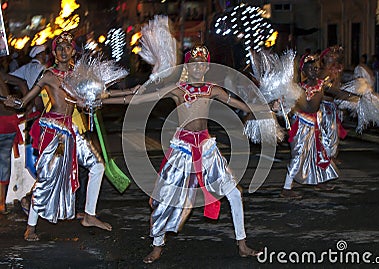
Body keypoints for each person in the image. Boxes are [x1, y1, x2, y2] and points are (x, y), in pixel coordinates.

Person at [104, 45, 263, 263]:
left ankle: (242, 243)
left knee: (234, 193)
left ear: (207, 66)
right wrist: (103, 99)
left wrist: (265, 107)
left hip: (207, 147)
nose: (198, 66)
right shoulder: (178, 90)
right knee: (165, 199)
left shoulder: (212, 89)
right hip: (182, 149)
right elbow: (139, 100)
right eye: (194, 62)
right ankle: (157, 245)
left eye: (202, 62)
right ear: (187, 66)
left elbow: (241, 106)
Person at [3, 32, 111, 241]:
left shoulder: (77, 75)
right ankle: (31, 226)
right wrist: (13, 102)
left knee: (97, 166)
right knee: (46, 179)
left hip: (72, 129)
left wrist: (111, 96)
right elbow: (24, 101)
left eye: (67, 47)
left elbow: (87, 99)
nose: (63, 51)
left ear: (73, 51)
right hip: (54, 132)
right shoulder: (48, 75)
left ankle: (89, 215)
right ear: (53, 53)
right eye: (59, 48)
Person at [280, 54, 340, 199]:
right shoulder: (299, 88)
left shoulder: (321, 85)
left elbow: (336, 93)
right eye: (310, 68)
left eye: (315, 67)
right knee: (299, 154)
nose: (314, 70)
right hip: (302, 125)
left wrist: (356, 98)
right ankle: (286, 188)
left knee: (319, 152)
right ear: (304, 71)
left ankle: (320, 180)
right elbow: (302, 107)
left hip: (316, 124)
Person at [0, 71, 29, 214]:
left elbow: (22, 83)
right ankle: (1, 204)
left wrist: (24, 105)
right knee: (4, 161)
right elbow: (22, 83)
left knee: (4, 161)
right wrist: (25, 107)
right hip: (9, 121)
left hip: (5, 122)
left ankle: (2, 203)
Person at [318, 45, 347, 165]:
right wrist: (345, 95)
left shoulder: (335, 71)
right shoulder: (323, 72)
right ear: (324, 58)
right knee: (326, 132)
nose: (332, 57)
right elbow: (326, 89)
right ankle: (326, 156)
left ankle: (331, 155)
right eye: (330, 56)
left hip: (331, 106)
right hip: (324, 106)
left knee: (333, 132)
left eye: (334, 56)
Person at [10, 45, 49, 112]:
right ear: (40, 55)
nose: (46, 56)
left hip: (29, 103)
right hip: (41, 103)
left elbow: (9, 76)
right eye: (44, 54)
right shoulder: (43, 68)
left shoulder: (25, 67)